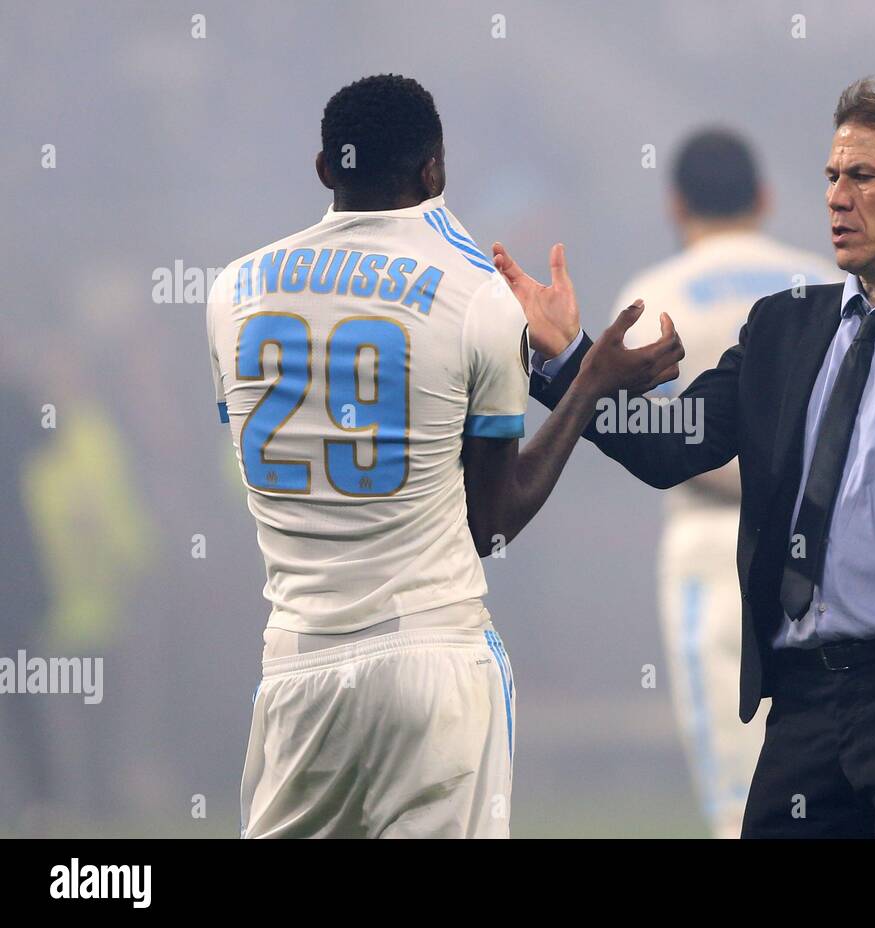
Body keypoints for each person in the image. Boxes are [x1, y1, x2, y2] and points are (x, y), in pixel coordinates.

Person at [497, 78, 875, 837]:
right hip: (806, 708)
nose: (837, 197)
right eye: (831, 177)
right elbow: (666, 446)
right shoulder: (784, 327)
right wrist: (569, 362)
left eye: (863, 176)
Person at [207, 74, 681, 838]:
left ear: (326, 169)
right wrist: (590, 379)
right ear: (435, 172)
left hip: (296, 661)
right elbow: (492, 525)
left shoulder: (231, 292)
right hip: (431, 654)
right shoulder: (476, 297)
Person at [611, 128, 839, 837]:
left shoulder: (651, 298)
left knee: (739, 798)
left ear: (676, 204)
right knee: (833, 782)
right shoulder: (824, 284)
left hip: (709, 553)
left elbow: (637, 433)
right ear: (765, 198)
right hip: (829, 549)